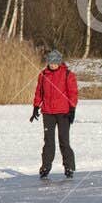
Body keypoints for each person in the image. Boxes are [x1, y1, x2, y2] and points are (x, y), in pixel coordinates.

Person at [31, 49, 78, 179]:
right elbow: (39, 92)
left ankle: (69, 167)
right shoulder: (43, 75)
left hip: (63, 113)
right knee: (48, 142)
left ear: (59, 62)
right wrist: (36, 106)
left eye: (55, 62)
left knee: (64, 141)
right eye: (50, 62)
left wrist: (72, 109)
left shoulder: (68, 75)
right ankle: (45, 167)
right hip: (48, 112)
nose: (52, 65)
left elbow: (73, 93)